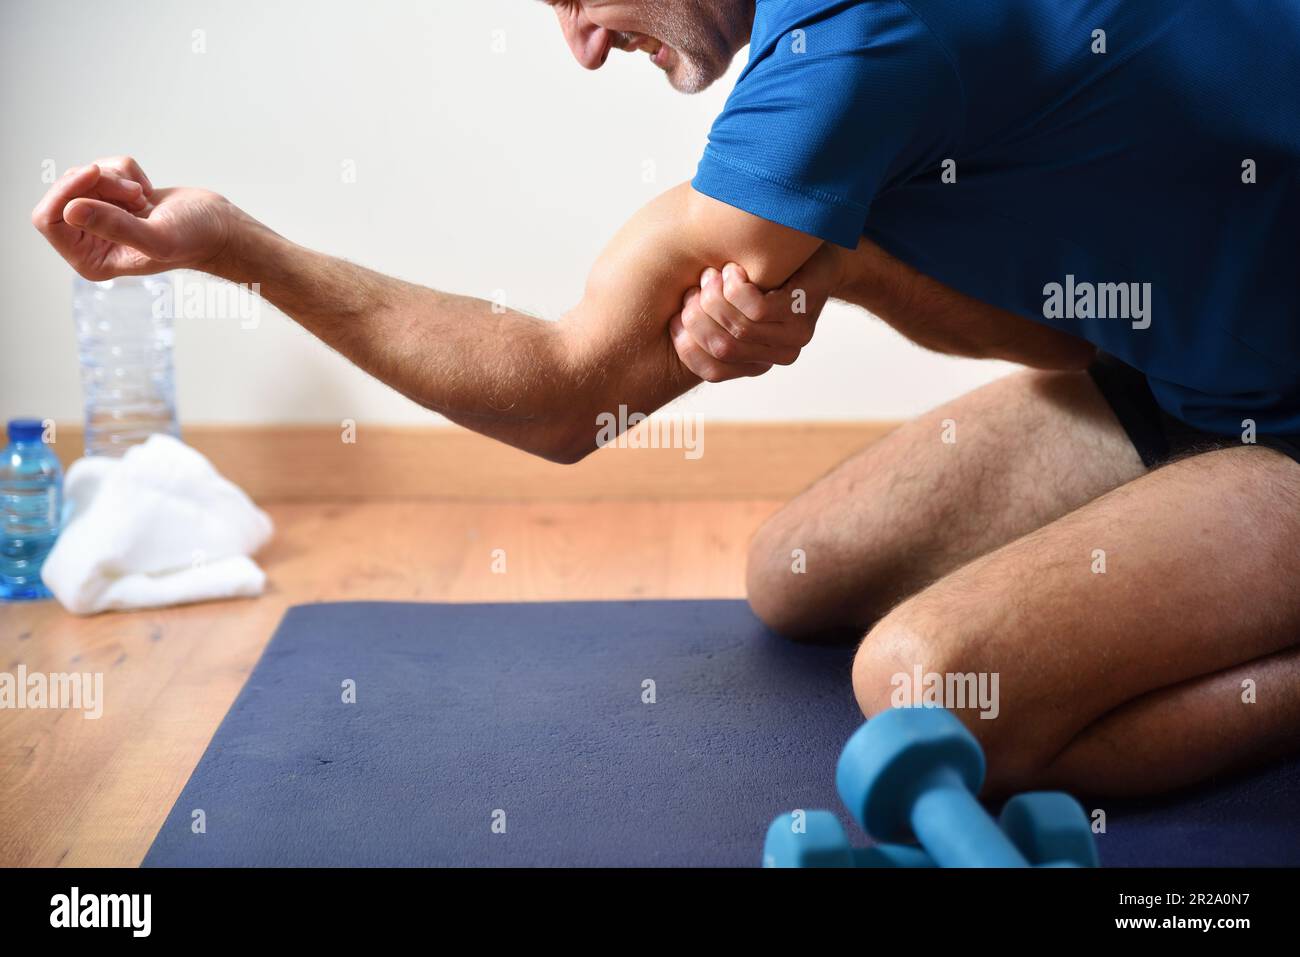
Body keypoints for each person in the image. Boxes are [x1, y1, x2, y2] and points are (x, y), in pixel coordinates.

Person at [32, 0, 1300, 798]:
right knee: (792, 572)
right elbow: (1067, 340)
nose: (583, 42)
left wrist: (237, 249)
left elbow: (561, 400)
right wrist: (845, 270)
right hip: (1182, 376)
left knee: (924, 690)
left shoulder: (852, 45)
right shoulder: (837, 57)